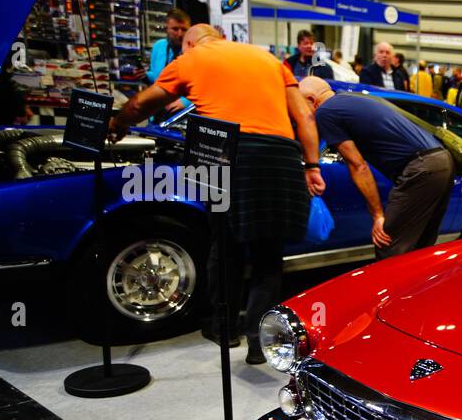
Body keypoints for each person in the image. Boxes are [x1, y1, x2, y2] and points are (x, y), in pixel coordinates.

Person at [109, 24, 321, 364]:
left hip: (225, 154)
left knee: (224, 244)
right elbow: (305, 115)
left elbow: (141, 105)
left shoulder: (192, 59)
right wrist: (312, 165)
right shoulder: (267, 59)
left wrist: (117, 124)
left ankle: (224, 329)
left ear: (190, 43)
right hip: (280, 156)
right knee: (267, 254)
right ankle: (258, 342)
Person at [298, 77, 454, 259]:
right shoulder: (349, 99)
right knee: (420, 249)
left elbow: (358, 166)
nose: (299, 113)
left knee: (387, 245)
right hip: (443, 161)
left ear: (310, 100)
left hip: (421, 168)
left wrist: (378, 216)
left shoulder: (325, 111)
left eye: (298, 105)